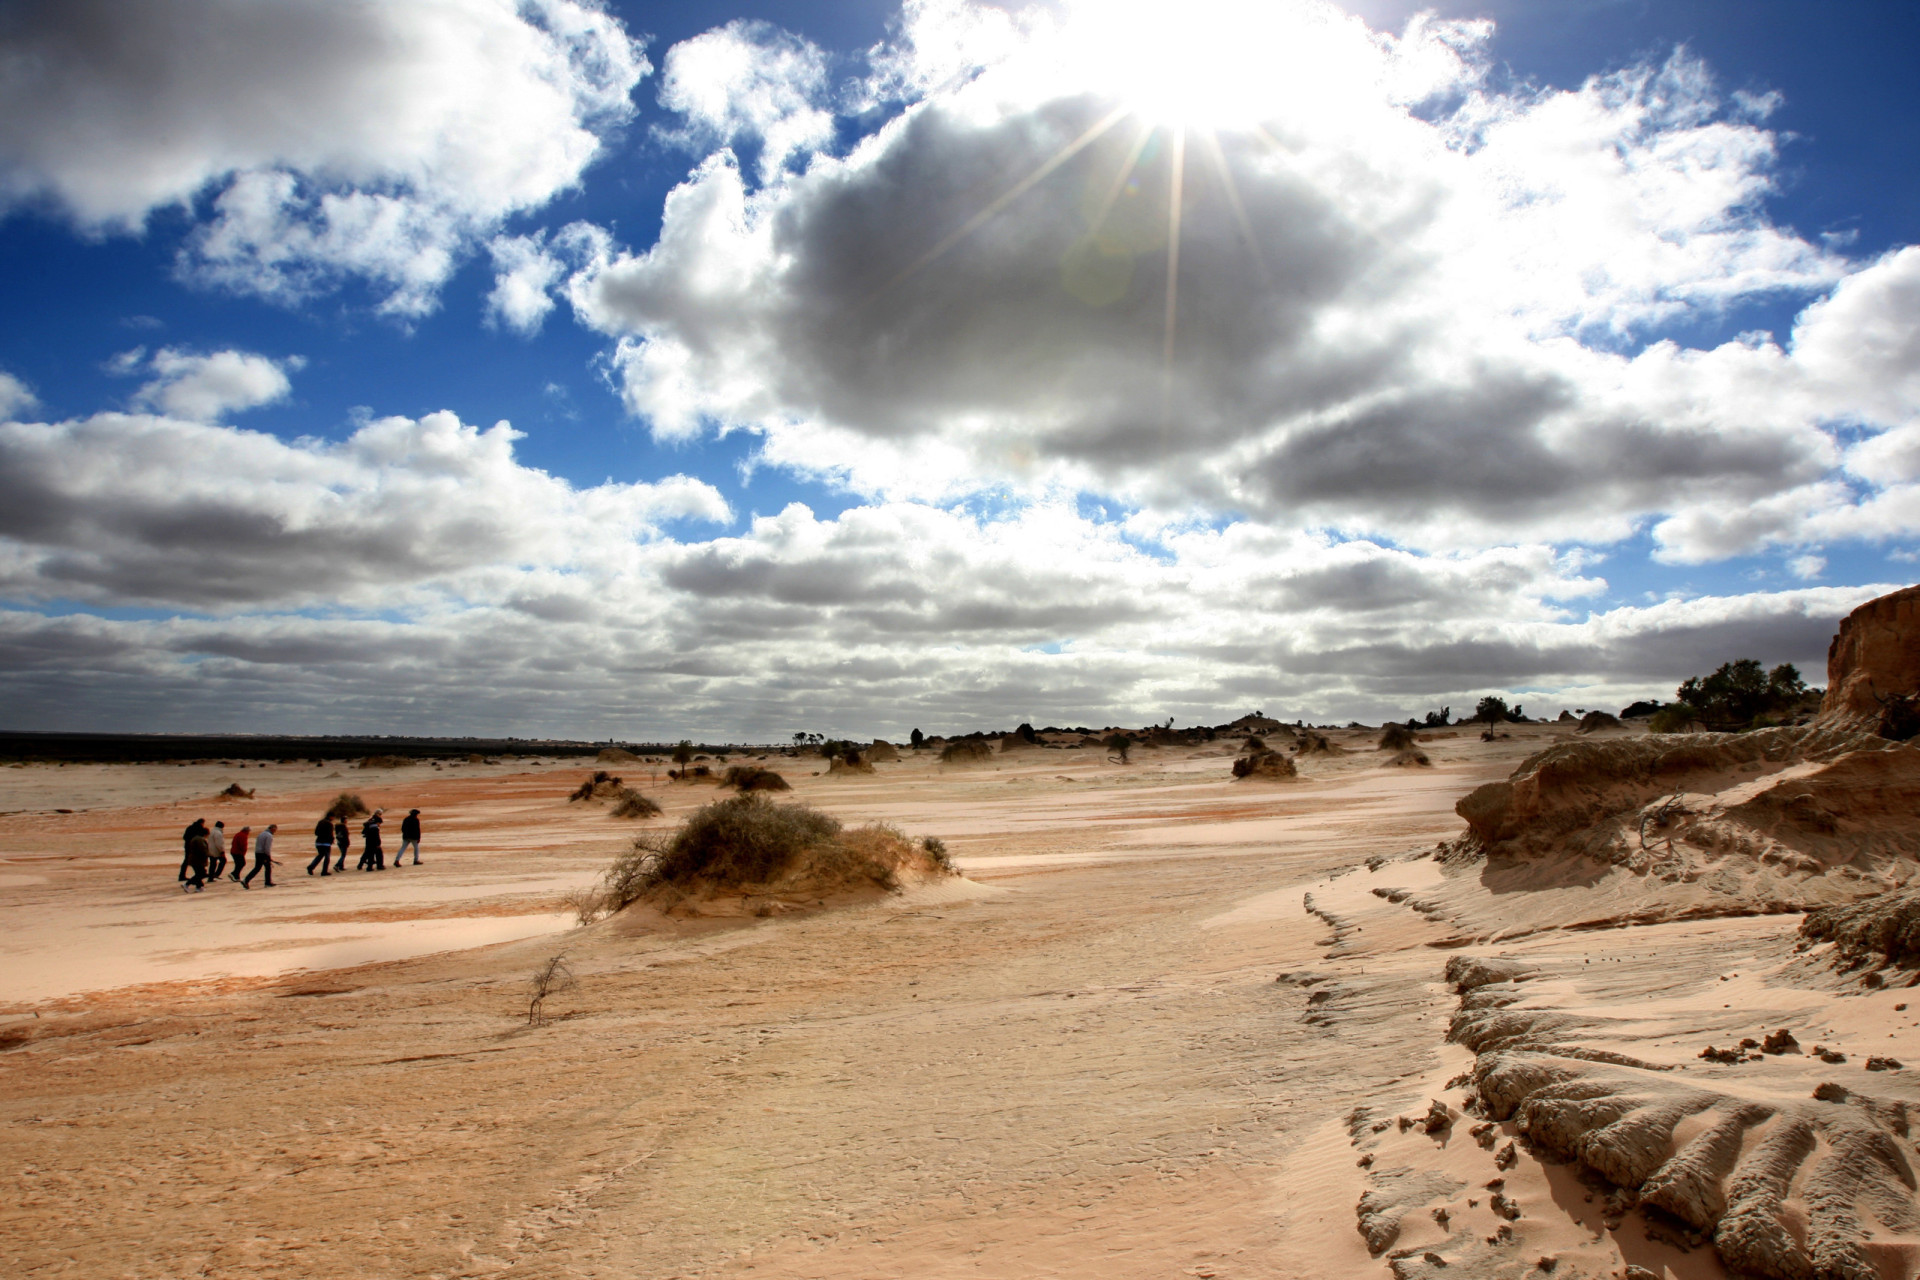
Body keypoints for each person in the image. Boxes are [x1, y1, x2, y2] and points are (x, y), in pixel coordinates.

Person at [182, 824, 210, 892]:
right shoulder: (200, 839)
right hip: (197, 860)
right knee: (201, 873)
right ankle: (187, 884)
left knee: (199, 873)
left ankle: (199, 887)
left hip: (195, 859)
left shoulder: (197, 838)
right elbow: (202, 850)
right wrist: (209, 854)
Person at [179, 818, 208, 882]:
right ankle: (201, 873)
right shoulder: (199, 829)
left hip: (187, 846)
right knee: (198, 860)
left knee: (186, 860)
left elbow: (184, 837)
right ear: (202, 823)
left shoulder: (190, 827)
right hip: (194, 846)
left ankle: (182, 875)